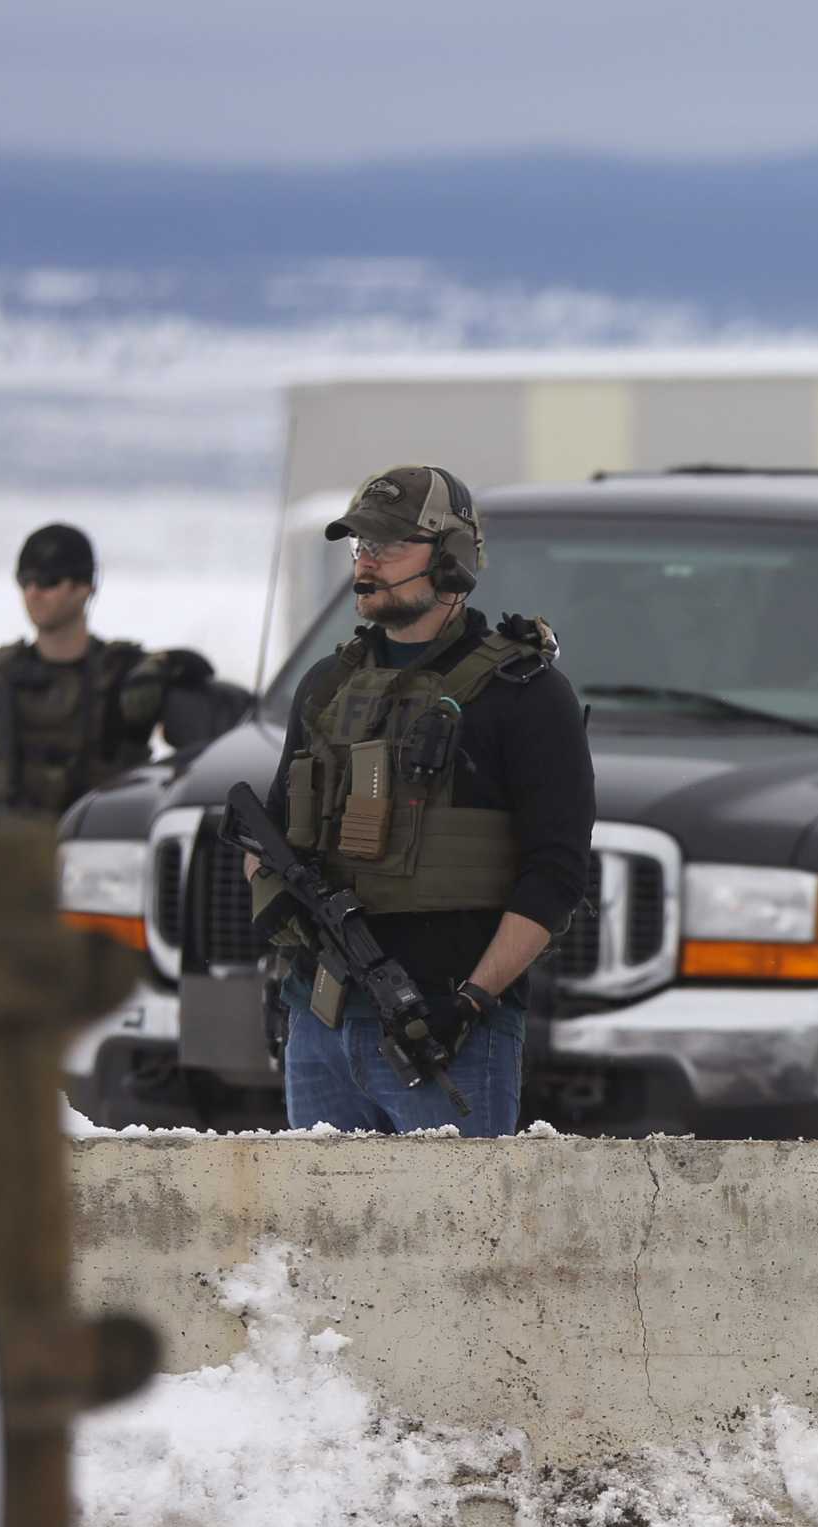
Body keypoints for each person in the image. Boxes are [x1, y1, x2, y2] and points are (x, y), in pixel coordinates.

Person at [249, 465, 595, 1135]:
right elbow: (267, 836)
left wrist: (469, 1002)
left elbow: (556, 877)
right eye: (359, 547)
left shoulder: (523, 695)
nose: (366, 562)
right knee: (314, 1238)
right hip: (320, 1029)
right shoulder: (327, 686)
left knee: (459, 1237)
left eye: (386, 545)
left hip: (446, 1042)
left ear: (451, 560)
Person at [0, 523, 219, 816]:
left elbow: (202, 689)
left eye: (48, 581)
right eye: (25, 581)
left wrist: (163, 665)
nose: (33, 592)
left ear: (83, 587)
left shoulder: (123, 679)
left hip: (91, 861)